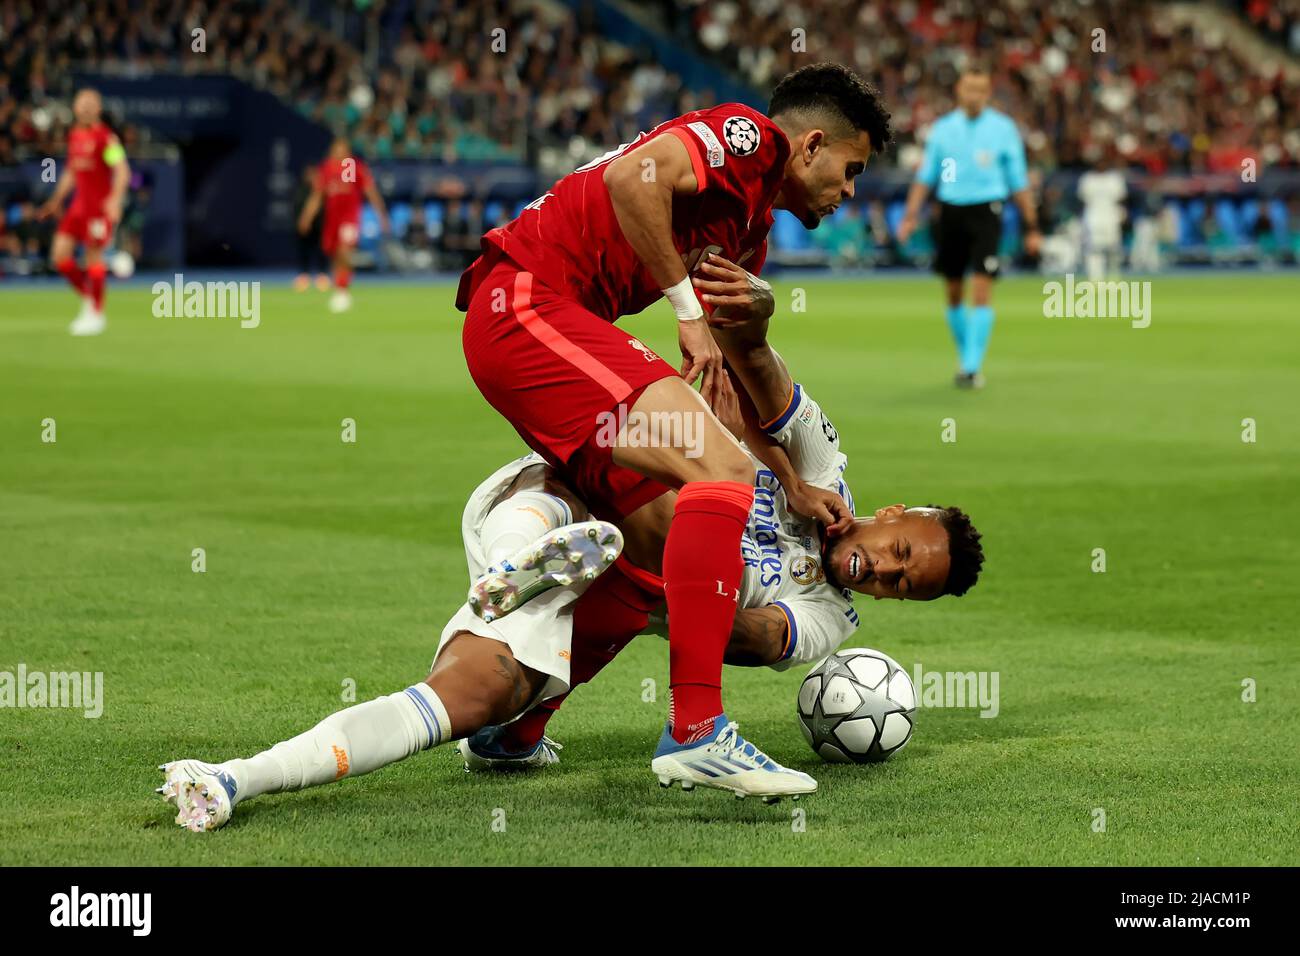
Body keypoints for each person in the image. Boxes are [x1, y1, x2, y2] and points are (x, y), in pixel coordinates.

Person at [155, 272, 982, 830]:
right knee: (675, 472)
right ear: (891, 513)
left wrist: (704, 592)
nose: (890, 572)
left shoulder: (828, 621)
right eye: (903, 549)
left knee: (462, 702)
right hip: (586, 485)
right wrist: (755, 365)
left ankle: (233, 778)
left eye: (905, 586)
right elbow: (761, 374)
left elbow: (758, 638)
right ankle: (527, 555)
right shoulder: (822, 466)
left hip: (625, 595)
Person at [453, 62, 892, 799]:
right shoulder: (751, 140)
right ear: (811, 144)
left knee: (662, 536)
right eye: (851, 171)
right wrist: (687, 312)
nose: (848, 193)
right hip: (528, 305)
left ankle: (513, 723)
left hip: (546, 323)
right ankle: (696, 730)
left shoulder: (747, 236)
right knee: (719, 476)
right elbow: (633, 181)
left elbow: (729, 388)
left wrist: (794, 482)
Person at [897, 64, 1040, 388]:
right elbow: (926, 177)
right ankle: (967, 357)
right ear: (959, 92)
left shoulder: (1003, 130)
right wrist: (910, 215)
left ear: (988, 93)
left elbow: (1018, 182)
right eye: (968, 89)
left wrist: (1032, 226)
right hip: (950, 212)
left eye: (980, 90)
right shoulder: (943, 129)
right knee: (953, 291)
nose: (974, 95)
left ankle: (970, 367)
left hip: (987, 210)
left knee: (981, 288)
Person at [36, 88, 131, 336]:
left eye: (91, 104)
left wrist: (114, 200)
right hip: (78, 207)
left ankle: (96, 314)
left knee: (93, 258)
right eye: (82, 103)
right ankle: (90, 299)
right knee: (59, 255)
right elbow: (70, 171)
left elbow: (122, 171)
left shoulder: (106, 138)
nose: (86, 108)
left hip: (97, 209)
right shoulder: (75, 135)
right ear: (75, 108)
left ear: (98, 108)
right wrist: (56, 200)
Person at [297, 138, 390, 313]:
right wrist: (306, 216)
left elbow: (370, 191)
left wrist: (382, 215)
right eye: (337, 148)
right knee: (333, 252)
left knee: (344, 250)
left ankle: (343, 290)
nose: (340, 152)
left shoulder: (356, 167)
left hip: (350, 217)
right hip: (332, 219)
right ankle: (339, 288)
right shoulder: (326, 169)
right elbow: (317, 196)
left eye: (343, 148)